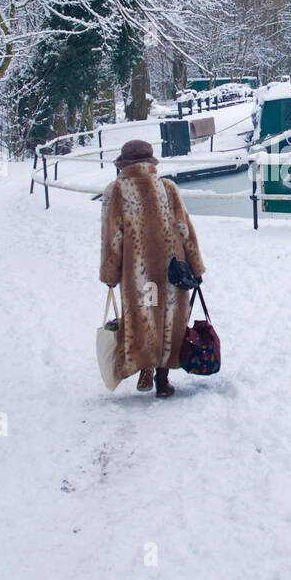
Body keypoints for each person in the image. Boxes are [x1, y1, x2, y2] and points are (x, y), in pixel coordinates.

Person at [99, 139, 205, 399]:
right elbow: (185, 228)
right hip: (172, 270)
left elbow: (112, 238)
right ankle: (163, 379)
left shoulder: (115, 191)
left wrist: (110, 274)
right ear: (151, 163)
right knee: (168, 319)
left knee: (145, 315)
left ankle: (145, 366)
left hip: (140, 275)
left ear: (124, 165)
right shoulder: (168, 187)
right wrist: (196, 265)